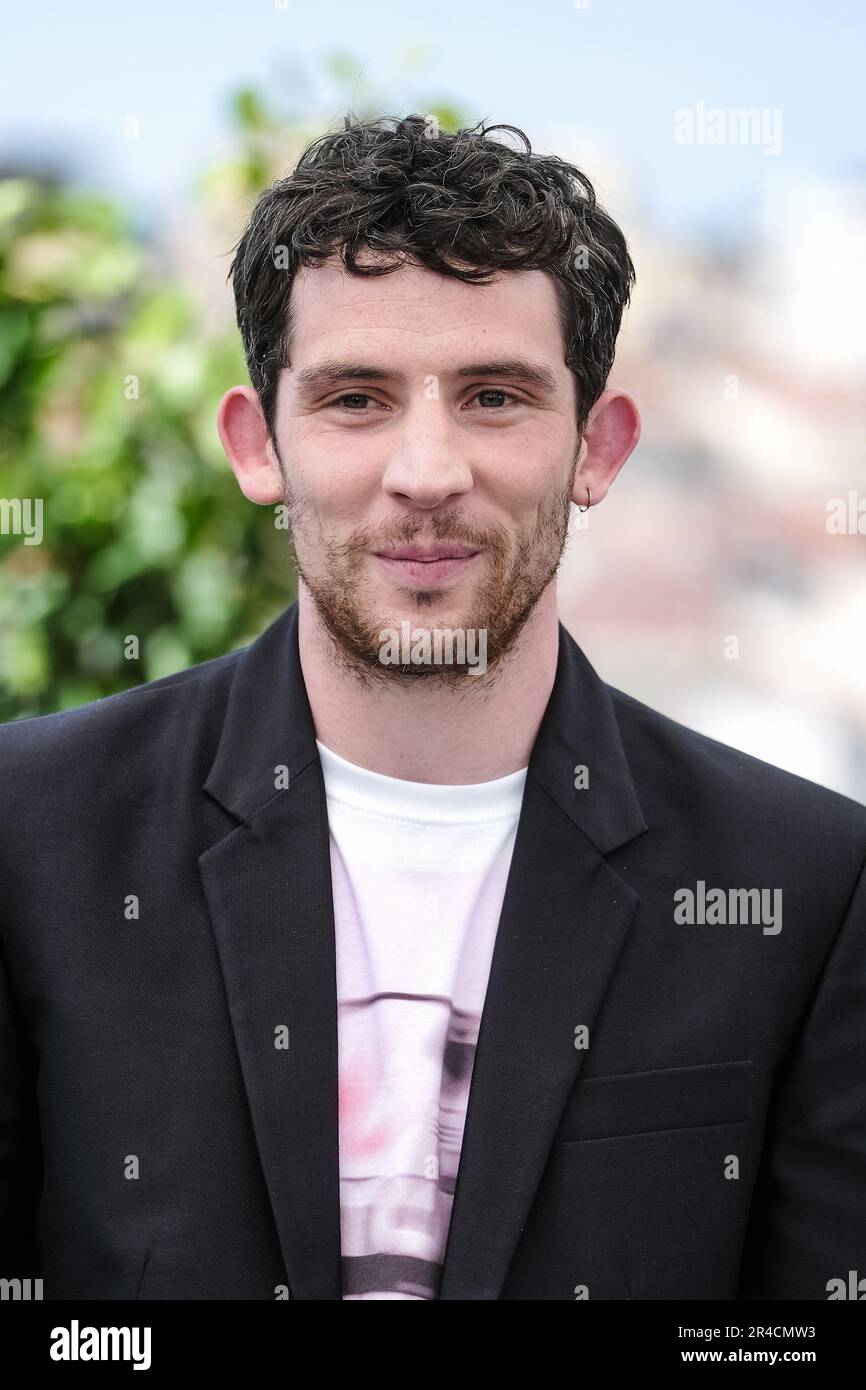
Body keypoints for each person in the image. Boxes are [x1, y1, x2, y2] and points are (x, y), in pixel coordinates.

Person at [1, 114, 865, 1301]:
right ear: (259, 447)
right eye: (354, 398)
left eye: (495, 396)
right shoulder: (29, 834)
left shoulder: (807, 882)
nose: (425, 471)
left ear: (596, 448)